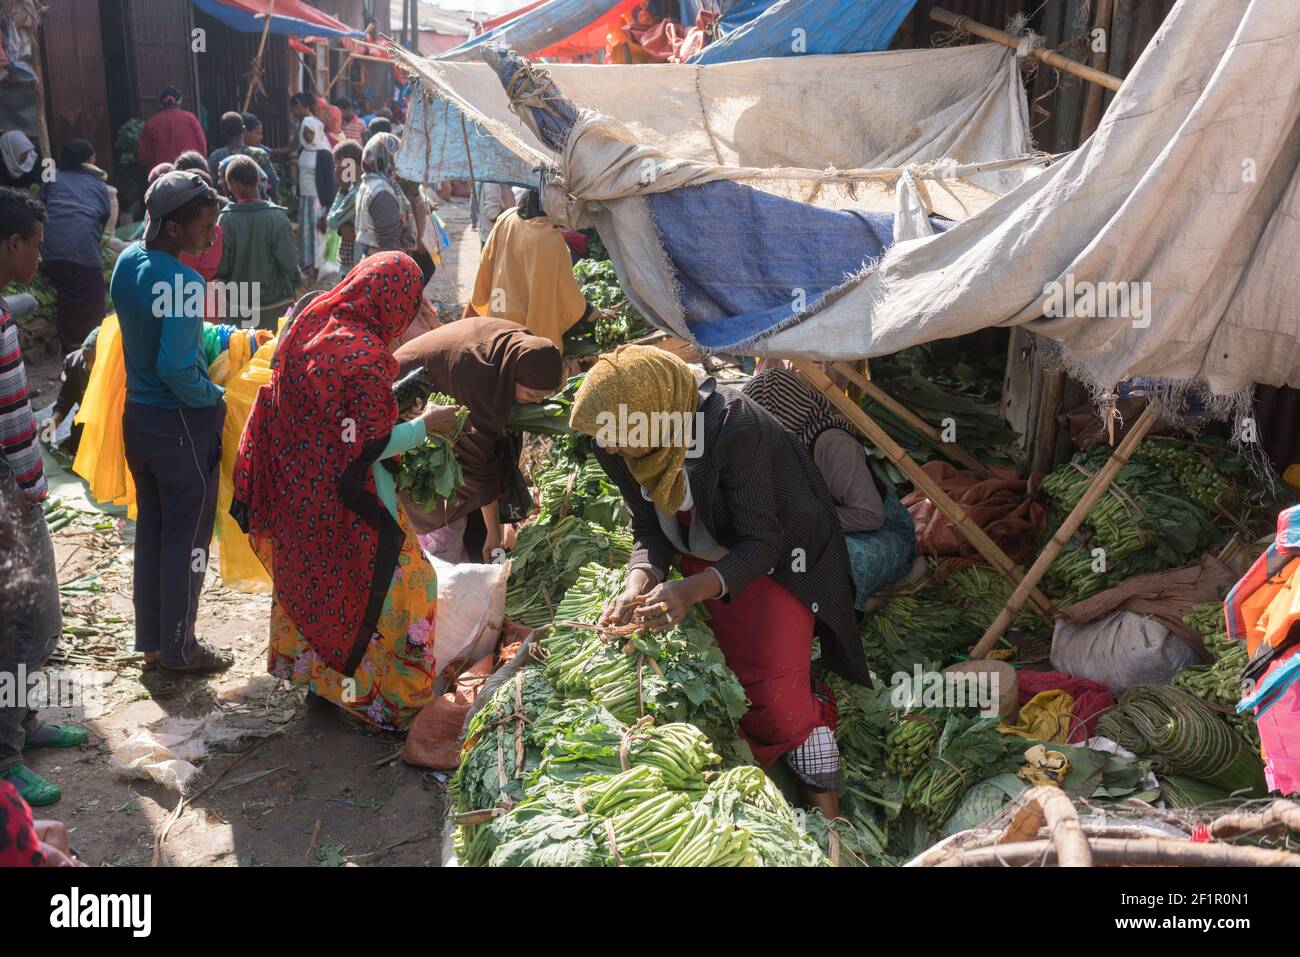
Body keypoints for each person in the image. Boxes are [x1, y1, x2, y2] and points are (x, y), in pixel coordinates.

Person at [571, 345, 870, 817]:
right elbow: (649, 530)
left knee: (774, 701)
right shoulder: (615, 441)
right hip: (707, 551)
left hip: (782, 560)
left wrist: (689, 591)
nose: (607, 447)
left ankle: (830, 819)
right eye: (601, 437)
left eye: (614, 435)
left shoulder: (733, 427)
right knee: (727, 680)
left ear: (654, 415)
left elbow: (762, 543)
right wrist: (639, 581)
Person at [231, 252, 463, 729]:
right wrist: (425, 426)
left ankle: (321, 685)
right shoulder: (367, 355)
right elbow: (368, 444)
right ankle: (396, 703)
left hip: (297, 489)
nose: (411, 313)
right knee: (408, 588)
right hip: (348, 499)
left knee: (315, 584)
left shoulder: (310, 322)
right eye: (411, 302)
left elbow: (331, 421)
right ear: (392, 300)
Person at [112, 171, 230, 674]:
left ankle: (156, 644)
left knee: (155, 534)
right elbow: (177, 368)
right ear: (175, 228)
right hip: (179, 423)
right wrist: (216, 396)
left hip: (137, 420)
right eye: (205, 226)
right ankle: (182, 649)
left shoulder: (125, 262)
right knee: (187, 544)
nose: (212, 236)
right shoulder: (183, 281)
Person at [0, 188, 88, 806]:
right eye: (35, 243)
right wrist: (32, 490)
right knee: (27, 623)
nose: (40, 254)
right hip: (8, 498)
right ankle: (5, 760)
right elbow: (12, 422)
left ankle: (23, 726)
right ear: (12, 245)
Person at [742, 368, 917, 609]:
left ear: (783, 413)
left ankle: (852, 610)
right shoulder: (788, 444)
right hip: (827, 525)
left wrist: (805, 517)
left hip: (880, 532)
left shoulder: (832, 444)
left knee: (835, 563)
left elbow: (870, 515)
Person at [393, 317, 563, 562]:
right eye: (531, 395)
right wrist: (494, 534)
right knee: (448, 484)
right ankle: (444, 562)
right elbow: (480, 463)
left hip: (442, 373)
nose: (537, 401)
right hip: (404, 396)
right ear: (511, 376)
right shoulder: (479, 381)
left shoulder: (518, 346)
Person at [465, 188, 596, 349]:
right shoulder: (551, 239)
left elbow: (486, 260)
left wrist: (482, 294)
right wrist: (589, 311)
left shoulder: (507, 218)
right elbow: (565, 290)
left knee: (498, 356)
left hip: (500, 308)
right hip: (528, 327)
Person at [37, 140, 111, 353]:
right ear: (89, 160)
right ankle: (87, 352)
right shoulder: (99, 186)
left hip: (51, 253)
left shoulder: (52, 177)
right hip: (84, 253)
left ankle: (70, 349)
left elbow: (37, 206)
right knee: (93, 302)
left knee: (66, 299)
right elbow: (102, 220)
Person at [216, 156, 300, 329]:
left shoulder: (225, 219)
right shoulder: (277, 217)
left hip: (239, 306)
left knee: (241, 352)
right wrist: (295, 285)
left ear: (235, 184)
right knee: (270, 352)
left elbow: (222, 266)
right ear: (257, 180)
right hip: (275, 304)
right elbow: (289, 263)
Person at [352, 133, 414, 264]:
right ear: (388, 159)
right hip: (384, 265)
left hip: (371, 260)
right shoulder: (382, 191)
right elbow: (389, 242)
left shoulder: (368, 183)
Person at [295, 116, 335, 277]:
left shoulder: (324, 153)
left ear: (317, 133)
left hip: (317, 200)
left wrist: (328, 206)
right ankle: (307, 262)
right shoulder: (302, 149)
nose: (307, 136)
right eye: (304, 132)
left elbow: (329, 181)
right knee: (305, 233)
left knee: (317, 232)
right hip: (304, 198)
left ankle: (318, 264)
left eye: (310, 132)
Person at [207, 111, 278, 202]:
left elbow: (214, 188)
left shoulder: (216, 157)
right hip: (259, 207)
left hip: (231, 210)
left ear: (223, 133)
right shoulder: (259, 154)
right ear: (244, 130)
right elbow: (273, 183)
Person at [50, 325, 99, 457]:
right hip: (86, 421)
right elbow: (67, 395)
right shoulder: (76, 365)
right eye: (86, 359)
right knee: (77, 446)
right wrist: (55, 419)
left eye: (94, 361)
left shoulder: (120, 371)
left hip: (110, 424)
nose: (89, 366)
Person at [136, 85, 207, 174]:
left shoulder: (151, 123)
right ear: (179, 102)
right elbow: (202, 146)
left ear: (160, 103)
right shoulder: (191, 118)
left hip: (163, 176)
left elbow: (144, 157)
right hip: (190, 172)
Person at [326, 139, 362, 274]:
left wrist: (342, 190)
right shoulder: (360, 187)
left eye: (336, 164)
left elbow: (332, 222)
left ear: (345, 163)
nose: (335, 170)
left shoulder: (355, 193)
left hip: (353, 266)